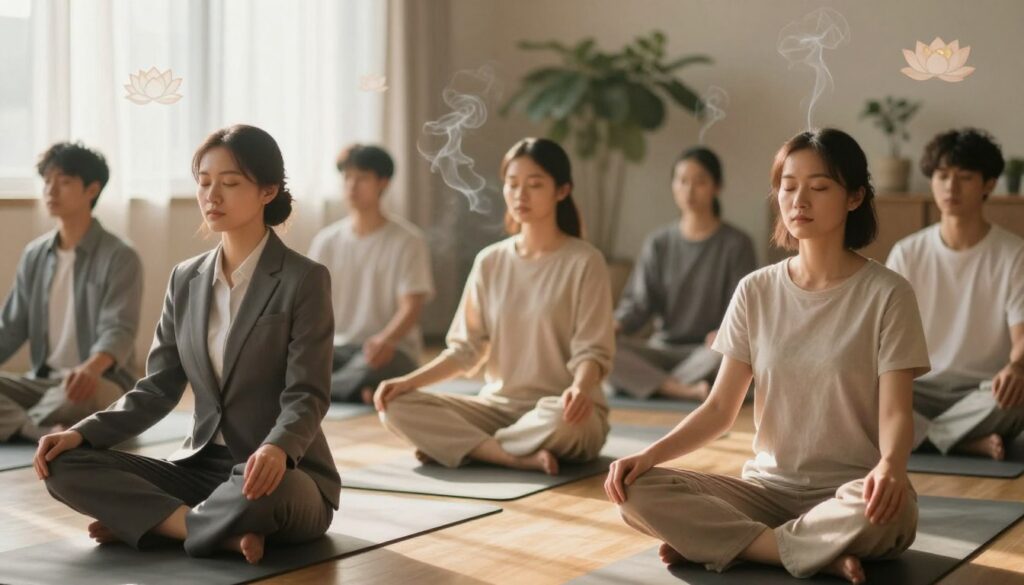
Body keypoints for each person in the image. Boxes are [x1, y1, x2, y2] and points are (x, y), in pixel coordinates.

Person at [605, 128, 930, 584]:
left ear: (855, 198)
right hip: (764, 492)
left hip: (853, 493)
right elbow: (719, 409)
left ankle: (736, 544)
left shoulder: (889, 294)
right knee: (634, 490)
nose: (799, 200)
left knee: (889, 518)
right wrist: (650, 454)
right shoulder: (755, 290)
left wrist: (892, 467)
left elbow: (896, 410)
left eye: (819, 188)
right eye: (788, 186)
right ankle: (798, 551)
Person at [35, 125, 340, 565]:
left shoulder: (304, 279)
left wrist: (277, 448)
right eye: (203, 182)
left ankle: (158, 523)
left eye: (230, 183)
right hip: (197, 470)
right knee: (64, 465)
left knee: (269, 493)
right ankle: (205, 531)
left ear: (267, 191)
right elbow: (157, 389)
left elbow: (307, 393)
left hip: (279, 470)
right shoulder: (185, 279)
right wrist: (81, 431)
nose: (212, 195)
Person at [374, 137, 614, 475]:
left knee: (567, 421)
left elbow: (593, 351)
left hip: (562, 410)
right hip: (496, 408)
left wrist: (579, 388)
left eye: (534, 185)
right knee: (395, 406)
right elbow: (465, 350)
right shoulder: (490, 261)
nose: (520, 195)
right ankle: (506, 455)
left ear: (562, 191)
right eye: (512, 184)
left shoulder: (586, 261)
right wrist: (409, 383)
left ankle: (465, 445)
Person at [887, 128, 1024, 460]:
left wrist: (1017, 367)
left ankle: (925, 438)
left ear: (988, 184)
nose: (951, 187)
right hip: (916, 387)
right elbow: (884, 335)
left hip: (985, 391)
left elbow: (1021, 337)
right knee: (861, 388)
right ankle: (960, 441)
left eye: (964, 177)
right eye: (942, 176)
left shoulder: (1014, 253)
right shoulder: (907, 253)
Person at [0, 142, 141, 443]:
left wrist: (90, 369)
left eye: (63, 182)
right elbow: (10, 328)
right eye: (47, 181)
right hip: (42, 383)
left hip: (98, 382)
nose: (51, 191)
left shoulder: (120, 256)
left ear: (92, 190)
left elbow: (119, 329)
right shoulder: (35, 254)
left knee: (82, 397)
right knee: (59, 399)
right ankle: (33, 428)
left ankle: (17, 423)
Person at [611, 147, 756, 401]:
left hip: (707, 351)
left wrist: (725, 332)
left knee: (727, 353)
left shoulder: (736, 244)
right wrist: (614, 325)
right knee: (601, 350)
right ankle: (680, 389)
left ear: (717, 187)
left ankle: (652, 385)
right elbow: (638, 304)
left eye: (700, 182)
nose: (689, 190)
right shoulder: (659, 243)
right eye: (682, 181)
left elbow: (744, 308)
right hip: (661, 349)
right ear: (673, 186)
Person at [308, 144, 434, 404]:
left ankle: (319, 391)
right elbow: (308, 302)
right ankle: (359, 391)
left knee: (370, 366)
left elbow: (412, 306)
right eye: (347, 178)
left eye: (362, 178)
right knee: (292, 362)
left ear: (383, 183)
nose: (352, 186)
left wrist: (386, 339)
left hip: (391, 350)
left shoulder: (408, 241)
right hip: (340, 348)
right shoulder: (327, 241)